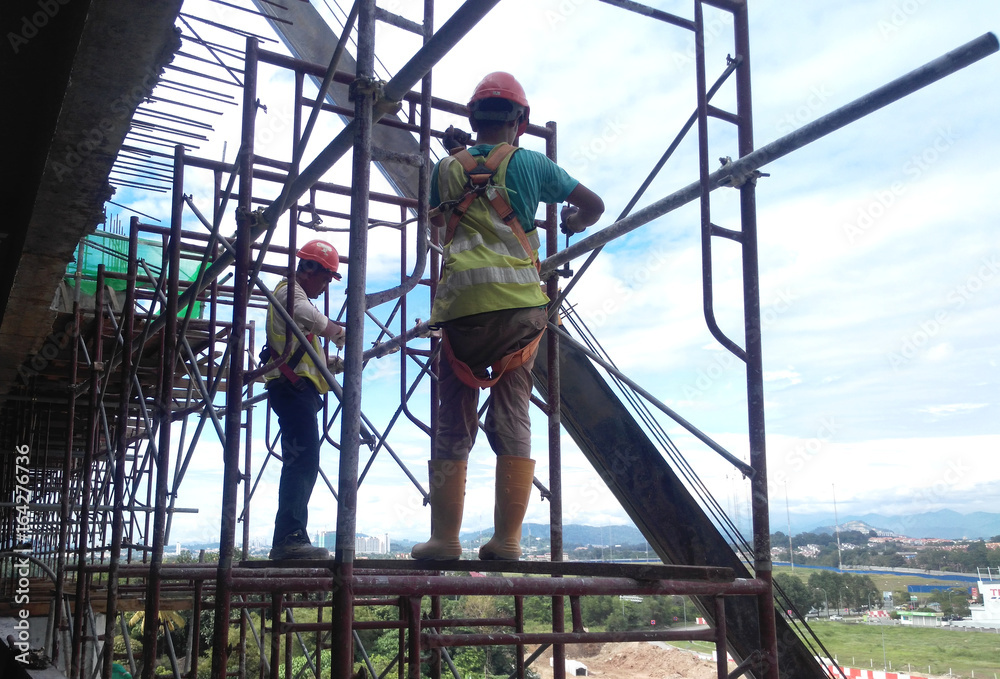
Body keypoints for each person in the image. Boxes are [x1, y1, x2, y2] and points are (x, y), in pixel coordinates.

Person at [411, 72, 604, 561]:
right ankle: (509, 541)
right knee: (513, 412)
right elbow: (593, 206)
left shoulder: (445, 169)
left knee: (451, 420)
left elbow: (438, 220)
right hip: (521, 312)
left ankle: (444, 539)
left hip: (462, 314)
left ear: (472, 118)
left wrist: (455, 163)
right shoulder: (534, 164)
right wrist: (573, 221)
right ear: (521, 121)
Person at [264, 239, 346, 560]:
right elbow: (303, 312)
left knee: (304, 461)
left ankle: (291, 534)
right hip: (293, 391)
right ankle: (288, 537)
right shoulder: (288, 291)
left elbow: (310, 357)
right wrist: (339, 332)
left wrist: (338, 363)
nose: (326, 286)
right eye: (325, 278)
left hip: (299, 391)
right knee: (302, 462)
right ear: (309, 268)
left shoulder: (298, 303)